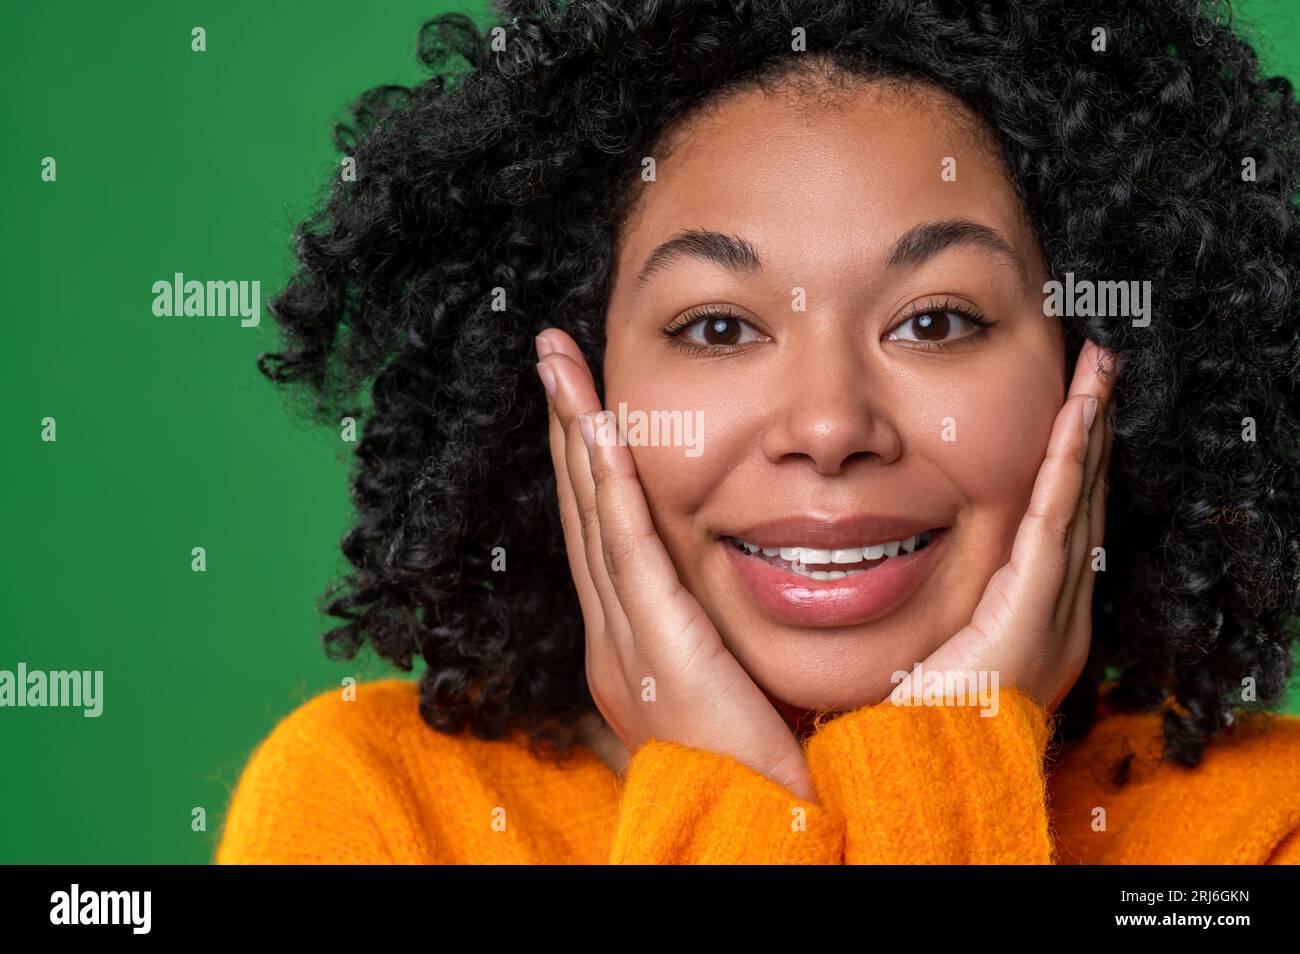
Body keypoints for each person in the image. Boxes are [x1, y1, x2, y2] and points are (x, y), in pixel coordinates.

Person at [216, 0, 1300, 864]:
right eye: (719, 326)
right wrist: (732, 798)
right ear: (567, 391)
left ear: (1101, 368)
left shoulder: (1262, 831)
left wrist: (946, 756)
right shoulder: (378, 811)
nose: (828, 426)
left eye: (934, 321)